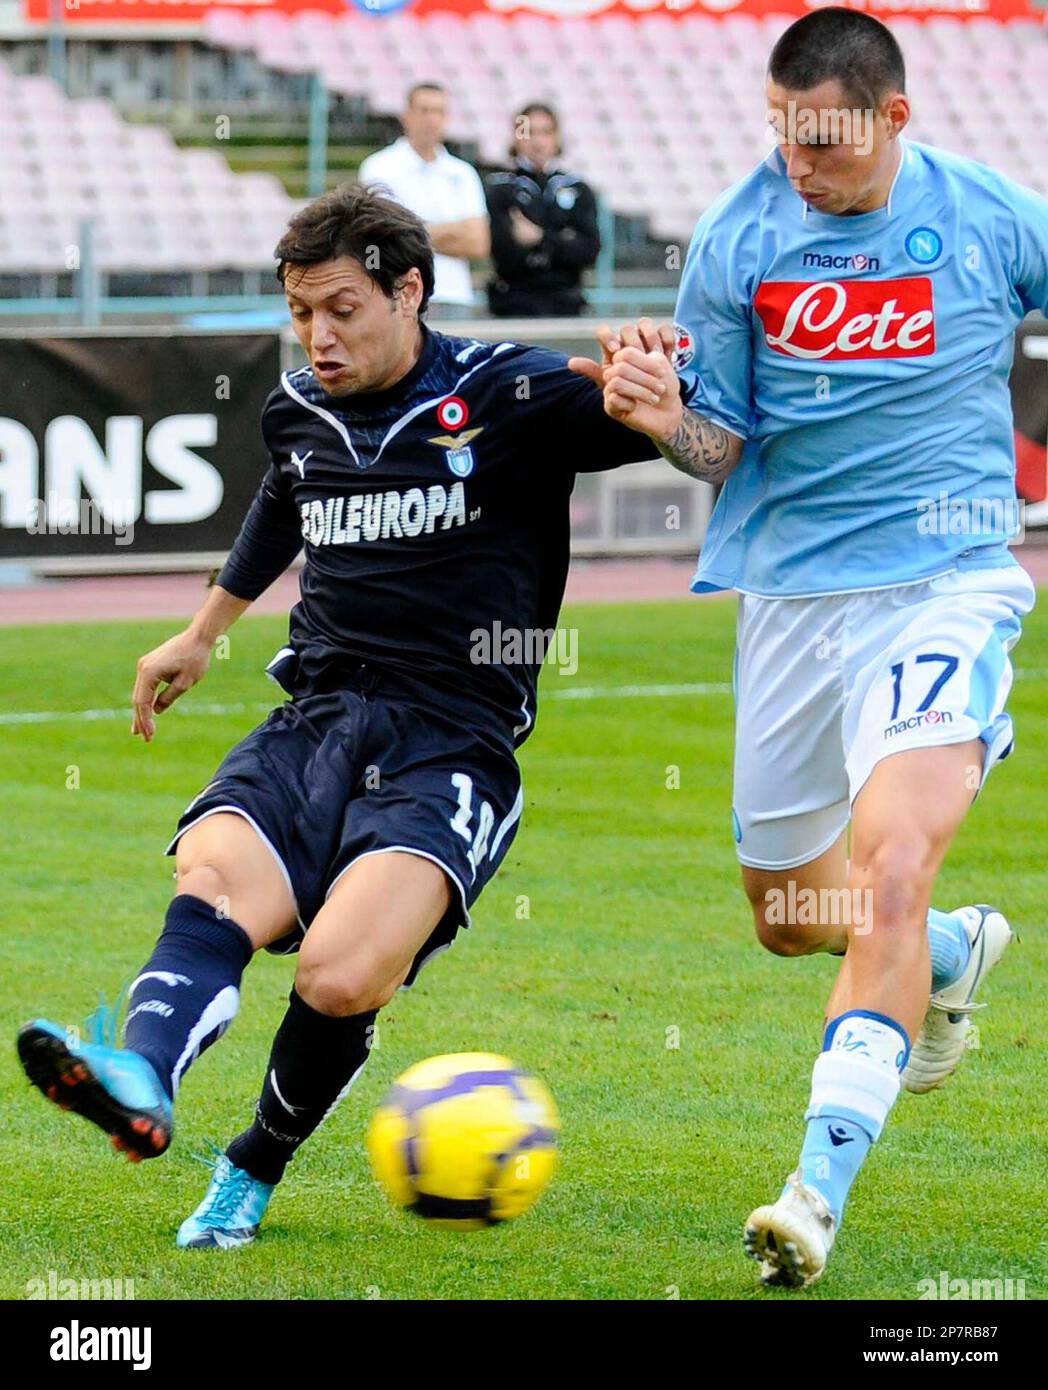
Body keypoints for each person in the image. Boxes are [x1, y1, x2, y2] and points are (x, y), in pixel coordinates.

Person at [16, 183, 658, 1248]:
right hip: (318, 713)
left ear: (410, 291)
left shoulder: (512, 392)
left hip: (452, 737)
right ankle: (141, 1077)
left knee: (340, 972)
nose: (319, 333)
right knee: (213, 878)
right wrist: (203, 628)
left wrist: (662, 393)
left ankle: (250, 1167)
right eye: (300, 310)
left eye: (343, 308)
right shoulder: (296, 406)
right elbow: (284, 496)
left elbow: (666, 432)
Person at [573, 8, 1046, 1289]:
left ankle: (810, 1193)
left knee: (890, 869)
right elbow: (721, 448)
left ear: (894, 119)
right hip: (787, 599)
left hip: (945, 584)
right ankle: (950, 950)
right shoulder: (737, 241)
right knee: (792, 917)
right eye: (781, 136)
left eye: (825, 142)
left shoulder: (998, 215)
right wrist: (668, 421)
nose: (799, 164)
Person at [359, 82, 489, 312]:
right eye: (424, 111)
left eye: (439, 111)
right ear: (406, 116)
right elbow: (383, 239)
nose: (432, 120)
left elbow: (478, 244)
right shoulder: (379, 167)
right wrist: (454, 231)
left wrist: (411, 231)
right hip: (401, 296)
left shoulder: (463, 173)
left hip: (455, 296)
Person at [485, 102, 600, 318]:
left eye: (545, 132)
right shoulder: (499, 187)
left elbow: (589, 250)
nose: (537, 141)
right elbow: (502, 249)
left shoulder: (578, 189)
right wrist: (562, 238)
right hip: (513, 305)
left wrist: (541, 238)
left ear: (556, 138)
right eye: (529, 132)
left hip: (566, 305)